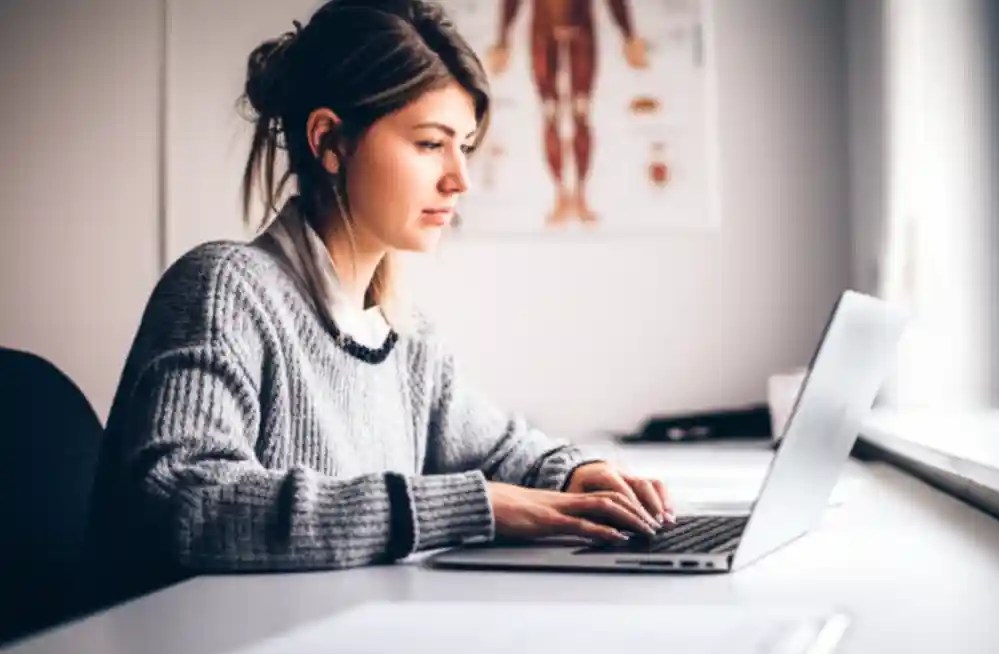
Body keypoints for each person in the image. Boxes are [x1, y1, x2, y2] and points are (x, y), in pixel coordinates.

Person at [87, 0, 673, 605]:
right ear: (329, 140)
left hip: (330, 641)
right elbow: (185, 500)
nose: (459, 180)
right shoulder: (224, 289)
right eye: (429, 144)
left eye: (464, 146)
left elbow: (499, 449)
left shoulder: (404, 332)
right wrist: (470, 506)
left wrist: (575, 475)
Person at [486, 0, 648, 225]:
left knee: (580, 110)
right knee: (551, 111)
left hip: (579, 29)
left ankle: (579, 194)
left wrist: (629, 35)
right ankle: (561, 194)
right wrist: (503, 38)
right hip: (545, 32)